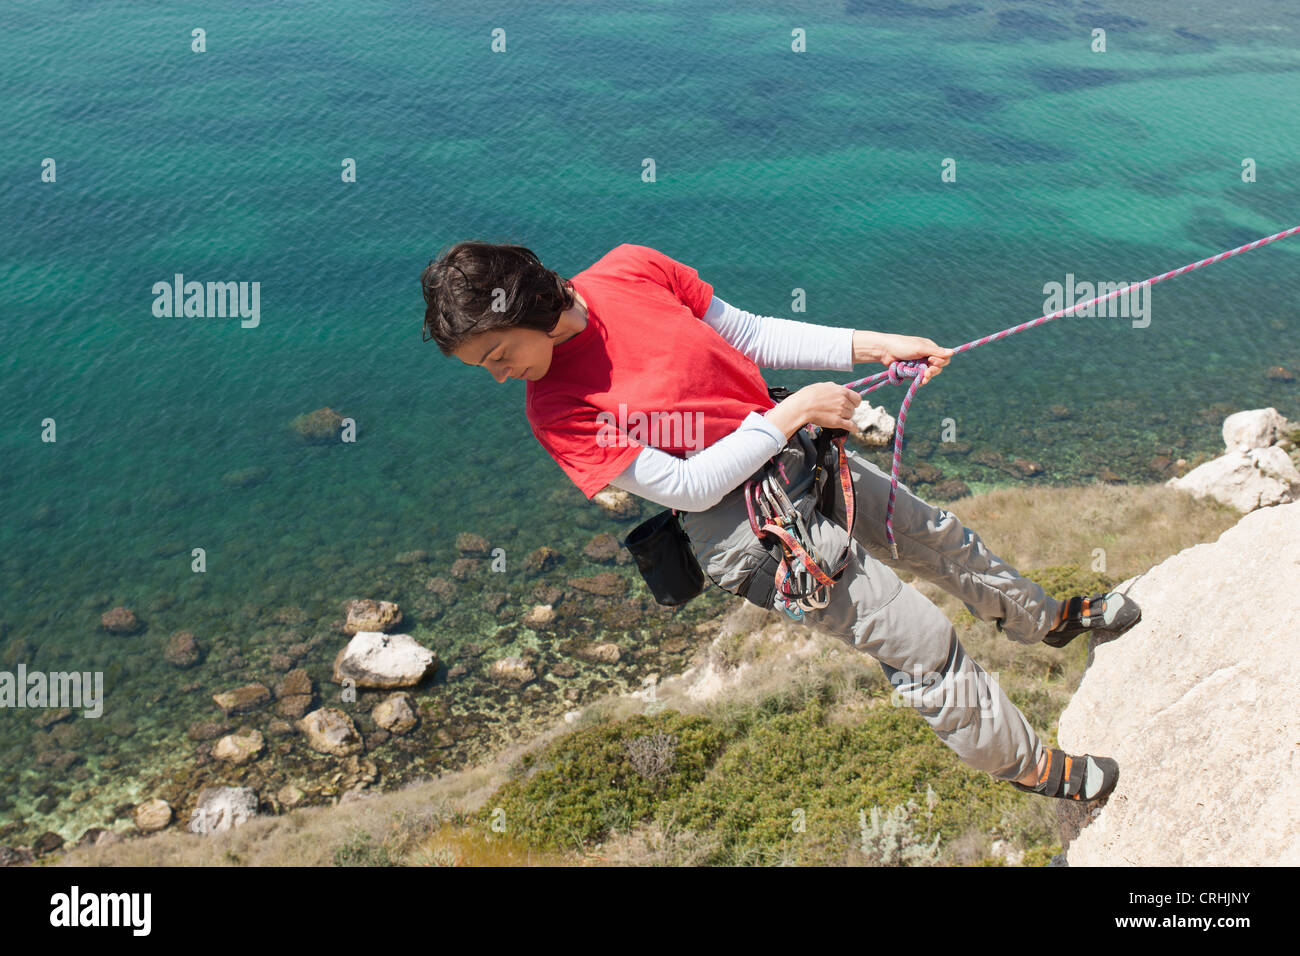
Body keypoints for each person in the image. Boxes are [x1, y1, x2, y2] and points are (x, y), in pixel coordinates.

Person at [421, 240, 1142, 803]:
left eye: (497, 354)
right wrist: (791, 413)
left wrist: (875, 344)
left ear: (531, 302)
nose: (498, 375)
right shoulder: (555, 410)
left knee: (939, 537)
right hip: (744, 530)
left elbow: (752, 336)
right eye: (481, 365)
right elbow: (687, 486)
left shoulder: (631, 270)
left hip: (794, 456)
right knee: (920, 639)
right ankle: (1030, 766)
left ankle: (1045, 620)